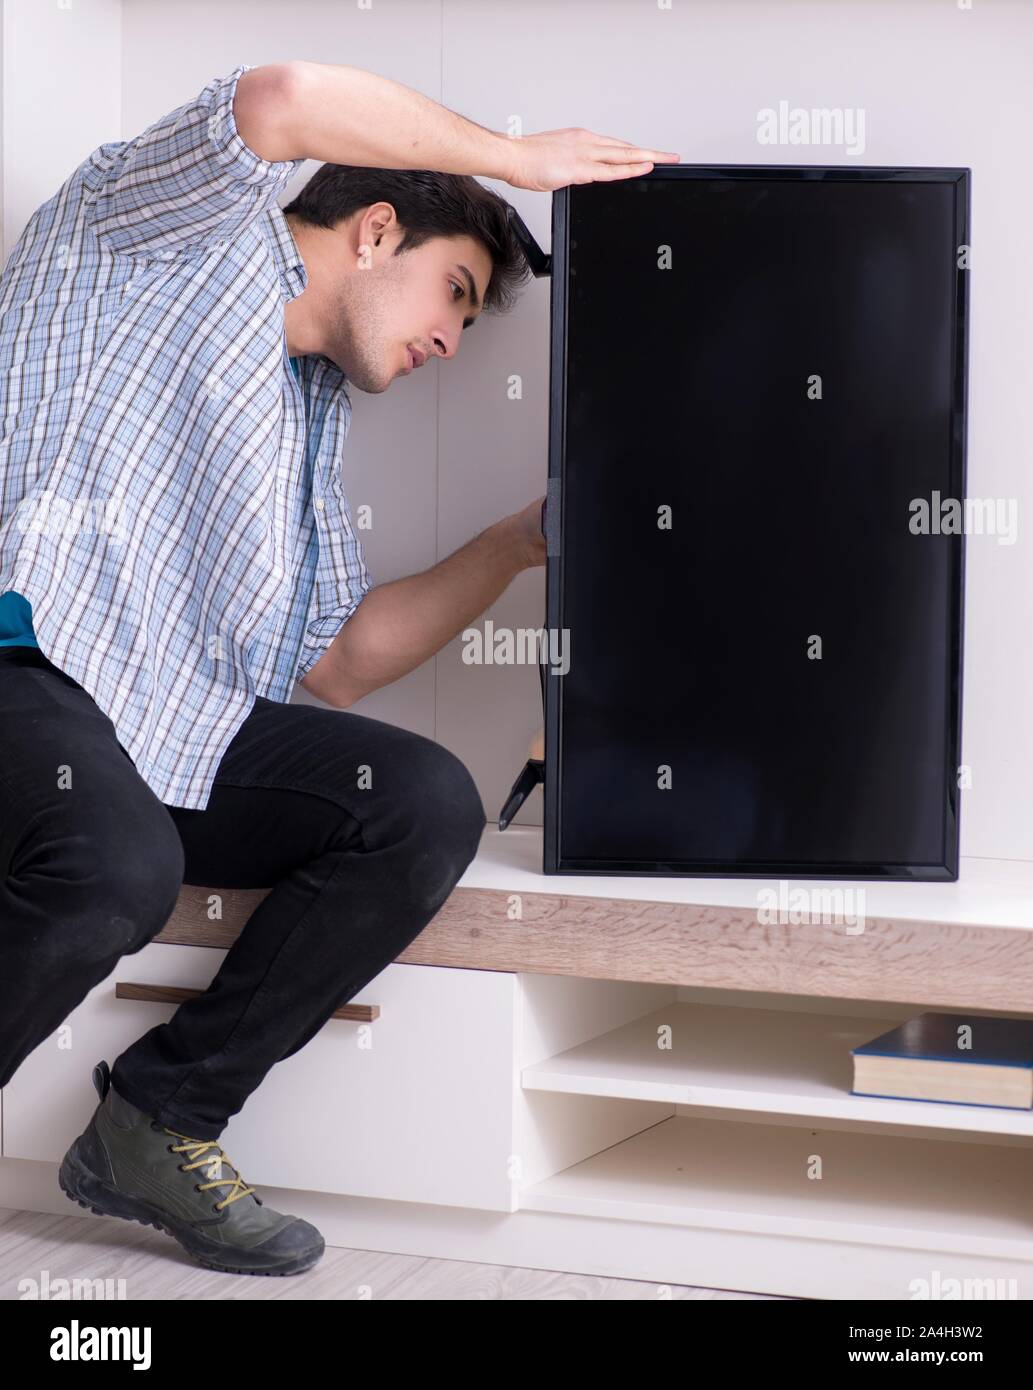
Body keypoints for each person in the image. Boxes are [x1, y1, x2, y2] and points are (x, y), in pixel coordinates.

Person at [0, 59, 680, 1277]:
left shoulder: (311, 428)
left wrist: (522, 541)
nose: (448, 337)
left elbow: (345, 662)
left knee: (417, 801)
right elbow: (273, 100)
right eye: (454, 292)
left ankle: (159, 1121)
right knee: (119, 864)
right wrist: (515, 161)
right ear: (375, 230)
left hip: (156, 727)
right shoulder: (159, 233)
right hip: (24, 655)